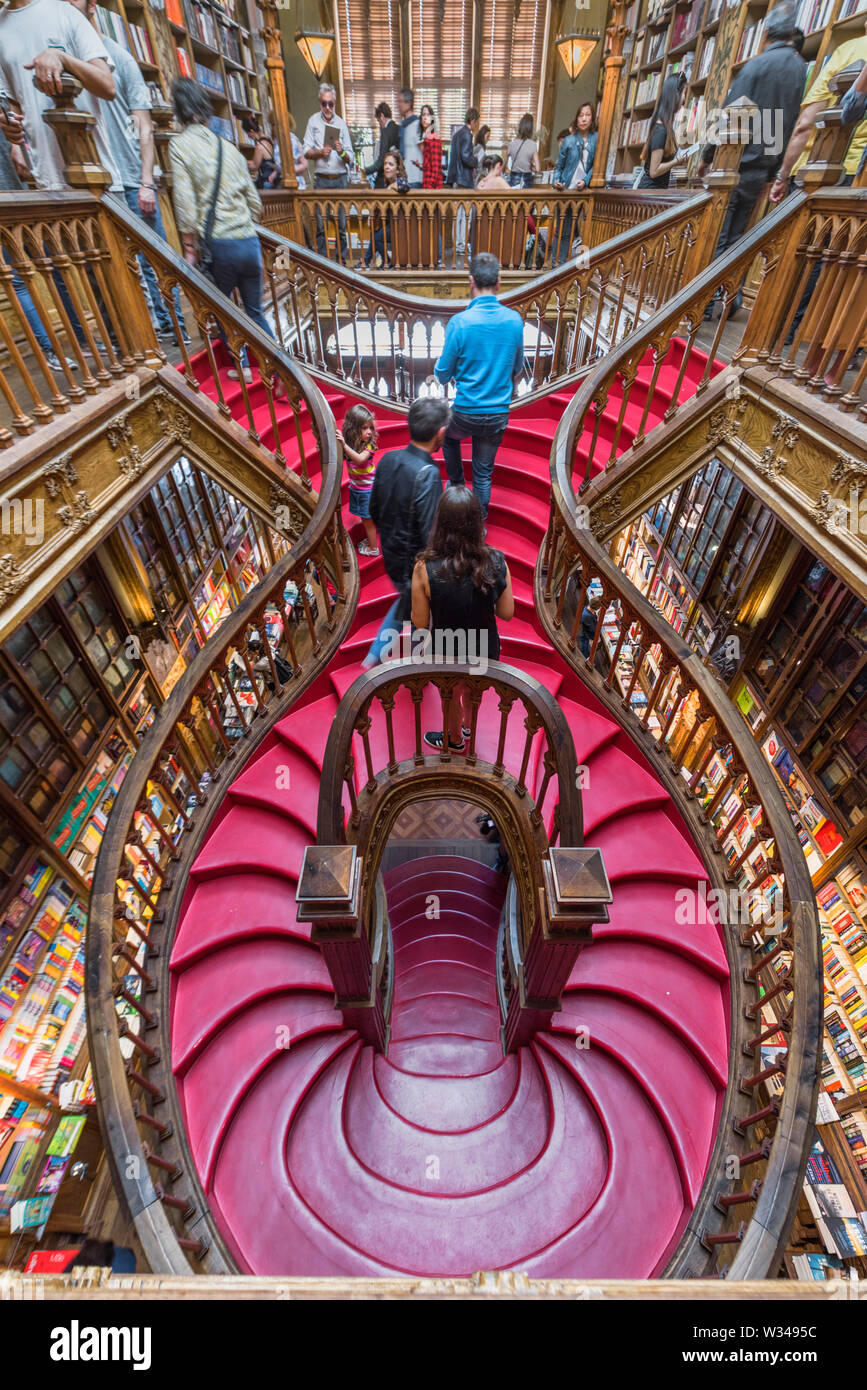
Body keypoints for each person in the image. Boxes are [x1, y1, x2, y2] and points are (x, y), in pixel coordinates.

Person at [65, 0, 188, 345]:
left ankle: (173, 327)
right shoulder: (65, 60)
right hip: (93, 186)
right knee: (110, 268)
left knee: (154, 261)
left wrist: (147, 182)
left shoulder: (119, 58)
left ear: (91, 7)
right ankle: (135, 335)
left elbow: (143, 126)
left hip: (132, 180)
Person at [168, 78, 272, 381]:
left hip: (221, 246)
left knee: (221, 309)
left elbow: (185, 204)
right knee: (255, 312)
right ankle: (282, 373)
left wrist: (189, 247)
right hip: (249, 242)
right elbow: (255, 203)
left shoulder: (180, 146)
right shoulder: (229, 149)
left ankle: (242, 369)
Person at [697, 3, 805, 261]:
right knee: (738, 240)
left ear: (766, 33)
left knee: (715, 239)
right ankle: (728, 297)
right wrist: (776, 172)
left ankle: (710, 301)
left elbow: (729, 115)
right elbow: (788, 123)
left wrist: (707, 157)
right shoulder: (799, 69)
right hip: (762, 169)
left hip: (734, 166)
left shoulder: (757, 65)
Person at [412, 486, 514, 752]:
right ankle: (469, 726)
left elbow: (420, 623)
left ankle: (454, 739)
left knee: (450, 694)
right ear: (476, 522)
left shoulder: (424, 568)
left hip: (446, 647)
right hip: (484, 647)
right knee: (474, 690)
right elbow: (506, 612)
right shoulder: (497, 561)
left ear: (441, 522)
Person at [434, 252, 523, 519]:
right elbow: (517, 368)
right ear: (498, 282)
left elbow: (441, 374)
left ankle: (457, 484)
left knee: (448, 436)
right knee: (484, 473)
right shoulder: (514, 320)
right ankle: (479, 524)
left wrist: (456, 373)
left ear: (470, 281)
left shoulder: (460, 323)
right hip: (498, 413)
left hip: (466, 411)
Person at [365, 396, 450, 668]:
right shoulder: (428, 472)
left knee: (406, 602)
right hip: (413, 563)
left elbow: (374, 509)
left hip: (391, 553)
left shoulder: (389, 458)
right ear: (440, 432)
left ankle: (376, 655)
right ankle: (416, 662)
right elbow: (430, 533)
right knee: (418, 612)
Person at [0, 0, 120, 192]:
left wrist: (62, 57)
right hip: (46, 181)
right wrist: (11, 131)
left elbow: (107, 86)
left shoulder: (63, 12)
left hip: (97, 175)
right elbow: (14, 100)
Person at [770, 15, 867, 203]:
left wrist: (782, 176)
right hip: (859, 177)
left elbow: (805, 125)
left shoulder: (847, 51)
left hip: (816, 170)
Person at [302, 82, 354, 260]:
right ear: (320, 103)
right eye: (324, 103)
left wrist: (341, 152)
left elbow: (351, 157)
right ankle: (324, 262)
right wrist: (318, 152)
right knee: (321, 225)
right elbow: (305, 151)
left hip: (340, 179)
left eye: (330, 103)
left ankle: (342, 261)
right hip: (321, 180)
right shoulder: (313, 121)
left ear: (335, 103)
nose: (327, 107)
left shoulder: (341, 123)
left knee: (341, 225)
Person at [552, 103, 597, 263]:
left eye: (587, 115)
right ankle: (556, 264)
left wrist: (585, 181)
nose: (584, 118)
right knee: (561, 231)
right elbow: (559, 167)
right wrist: (556, 181)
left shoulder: (597, 139)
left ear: (592, 118)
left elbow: (596, 167)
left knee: (578, 233)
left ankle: (573, 267)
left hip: (583, 194)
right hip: (565, 191)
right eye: (581, 115)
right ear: (576, 118)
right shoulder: (569, 141)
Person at [338, 402, 380, 558]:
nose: (369, 432)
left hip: (367, 490)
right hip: (358, 488)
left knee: (367, 520)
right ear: (353, 429)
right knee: (366, 517)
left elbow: (360, 460)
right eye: (364, 428)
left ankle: (374, 548)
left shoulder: (369, 445)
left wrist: (343, 445)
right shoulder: (352, 445)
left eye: (370, 427)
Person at [637, 73, 688, 188]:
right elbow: (654, 172)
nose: (684, 98)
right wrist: (676, 161)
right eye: (684, 93)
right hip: (649, 194)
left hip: (655, 192)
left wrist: (679, 157)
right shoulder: (661, 130)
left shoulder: (665, 127)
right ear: (676, 95)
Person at [446, 106, 480, 264]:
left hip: (455, 179)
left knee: (457, 215)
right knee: (465, 214)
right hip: (465, 180)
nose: (476, 125)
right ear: (472, 121)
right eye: (476, 122)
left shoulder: (456, 134)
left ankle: (458, 245)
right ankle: (461, 246)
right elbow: (466, 157)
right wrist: (476, 160)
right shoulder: (467, 134)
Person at [364, 150, 406, 267]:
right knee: (375, 232)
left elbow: (405, 185)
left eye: (391, 164)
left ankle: (385, 261)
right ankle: (371, 261)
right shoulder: (383, 183)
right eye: (385, 164)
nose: (387, 167)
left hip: (401, 226)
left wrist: (391, 187)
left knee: (377, 237)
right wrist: (371, 215)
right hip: (390, 224)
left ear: (397, 169)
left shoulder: (399, 181)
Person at [365, 101, 400, 187]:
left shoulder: (385, 131)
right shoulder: (398, 128)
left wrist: (366, 170)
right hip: (396, 176)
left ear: (381, 116)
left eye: (378, 121)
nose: (379, 125)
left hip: (385, 177)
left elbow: (381, 161)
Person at [242, 113, 281, 188]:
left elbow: (254, 165)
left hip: (268, 182)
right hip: (274, 180)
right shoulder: (270, 140)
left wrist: (239, 162)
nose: (248, 136)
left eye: (247, 134)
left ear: (252, 131)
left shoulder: (260, 146)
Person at [396, 87, 423, 189]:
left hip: (415, 178)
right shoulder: (404, 126)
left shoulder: (417, 125)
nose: (398, 105)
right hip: (404, 177)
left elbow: (424, 151)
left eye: (400, 102)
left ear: (409, 103)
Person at [505, 113, 540, 189]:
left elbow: (504, 166)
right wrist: (530, 165)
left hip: (513, 180)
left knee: (512, 201)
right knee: (526, 201)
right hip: (527, 181)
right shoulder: (533, 145)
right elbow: (538, 169)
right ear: (531, 129)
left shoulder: (511, 144)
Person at [420, 104, 443, 189]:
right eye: (423, 114)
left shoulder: (434, 138)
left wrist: (429, 188)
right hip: (426, 185)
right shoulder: (425, 137)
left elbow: (436, 168)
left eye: (428, 115)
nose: (425, 118)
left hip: (432, 189)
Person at [579, 594, 604, 659]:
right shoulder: (587, 616)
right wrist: (599, 619)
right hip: (587, 636)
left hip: (588, 633)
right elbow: (593, 630)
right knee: (584, 651)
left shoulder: (590, 609)